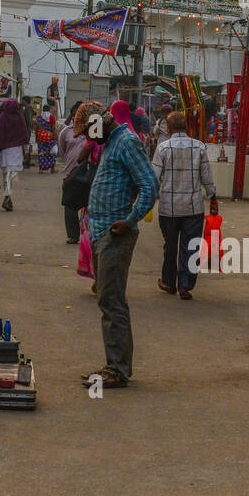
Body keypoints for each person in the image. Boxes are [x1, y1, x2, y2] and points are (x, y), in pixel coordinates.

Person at [82, 100, 158, 390]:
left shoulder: (126, 142)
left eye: (89, 132)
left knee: (112, 302)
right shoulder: (112, 142)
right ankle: (114, 364)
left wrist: (129, 220)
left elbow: (150, 185)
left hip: (115, 233)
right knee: (107, 300)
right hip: (103, 230)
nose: (89, 138)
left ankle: (117, 368)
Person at [152, 111, 219, 300]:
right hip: (193, 207)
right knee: (191, 247)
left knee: (170, 246)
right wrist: (212, 196)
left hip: (168, 208)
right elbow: (206, 176)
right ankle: (185, 285)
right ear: (186, 127)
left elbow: (154, 178)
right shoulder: (199, 147)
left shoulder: (162, 148)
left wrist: (148, 199)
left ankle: (168, 282)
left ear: (169, 128)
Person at [60, 100, 104, 247]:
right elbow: (63, 151)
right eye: (74, 115)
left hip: (91, 174)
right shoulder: (66, 132)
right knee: (70, 205)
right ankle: (74, 235)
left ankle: (88, 234)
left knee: (88, 207)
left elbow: (88, 153)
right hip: (71, 173)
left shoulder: (94, 132)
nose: (76, 118)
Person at [0, 98, 28, 212]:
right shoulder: (20, 118)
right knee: (10, 175)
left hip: (4, 151)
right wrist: (26, 152)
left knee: (6, 174)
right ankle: (7, 197)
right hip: (16, 150)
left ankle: (7, 197)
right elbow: (25, 135)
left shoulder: (1, 119)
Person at [35, 103, 59, 172]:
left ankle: (41, 169)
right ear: (49, 110)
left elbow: (36, 129)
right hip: (50, 137)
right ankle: (52, 168)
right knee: (52, 152)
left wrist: (36, 138)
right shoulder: (52, 117)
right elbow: (53, 128)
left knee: (41, 152)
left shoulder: (39, 117)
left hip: (41, 137)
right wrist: (56, 138)